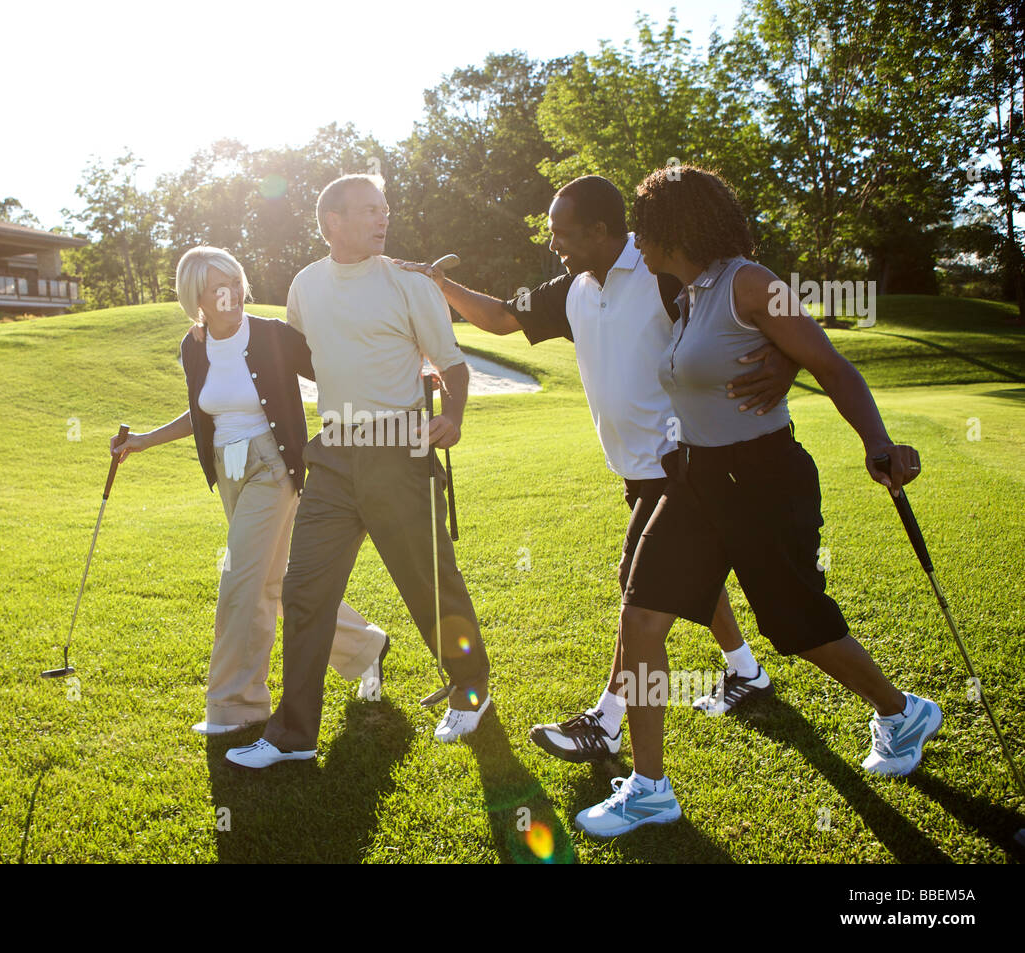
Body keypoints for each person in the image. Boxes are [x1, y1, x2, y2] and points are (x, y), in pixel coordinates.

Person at [575, 165, 941, 837]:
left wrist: (879, 445)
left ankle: (900, 709)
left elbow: (832, 363)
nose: (636, 240)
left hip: (764, 478)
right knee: (642, 614)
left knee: (796, 624)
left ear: (671, 229)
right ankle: (650, 788)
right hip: (692, 477)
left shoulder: (749, 282)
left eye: (644, 227)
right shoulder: (685, 295)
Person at [395, 174, 798, 764]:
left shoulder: (664, 269)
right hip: (636, 464)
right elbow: (504, 319)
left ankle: (606, 720)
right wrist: (439, 282)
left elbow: (761, 303)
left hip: (685, 458)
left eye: (563, 232)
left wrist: (787, 358)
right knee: (663, 577)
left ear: (603, 230)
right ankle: (746, 669)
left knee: (638, 583)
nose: (553, 242)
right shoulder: (574, 288)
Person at [226, 174, 491, 769]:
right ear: (331, 223)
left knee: (428, 582)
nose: (384, 218)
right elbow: (315, 361)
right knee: (304, 588)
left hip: (399, 448)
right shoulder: (305, 285)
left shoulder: (409, 282)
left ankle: (471, 691)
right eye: (370, 210)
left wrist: (453, 416)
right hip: (333, 455)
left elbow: (452, 365)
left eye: (386, 208)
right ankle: (294, 734)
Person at [110, 246, 389, 736]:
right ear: (195, 295)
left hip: (273, 464)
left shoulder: (272, 335)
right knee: (272, 581)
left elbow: (335, 368)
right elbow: (203, 410)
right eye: (218, 285)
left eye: (235, 280)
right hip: (229, 468)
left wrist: (401, 378)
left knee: (239, 578)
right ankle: (365, 647)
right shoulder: (192, 346)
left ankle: (238, 704)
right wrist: (143, 441)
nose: (231, 292)